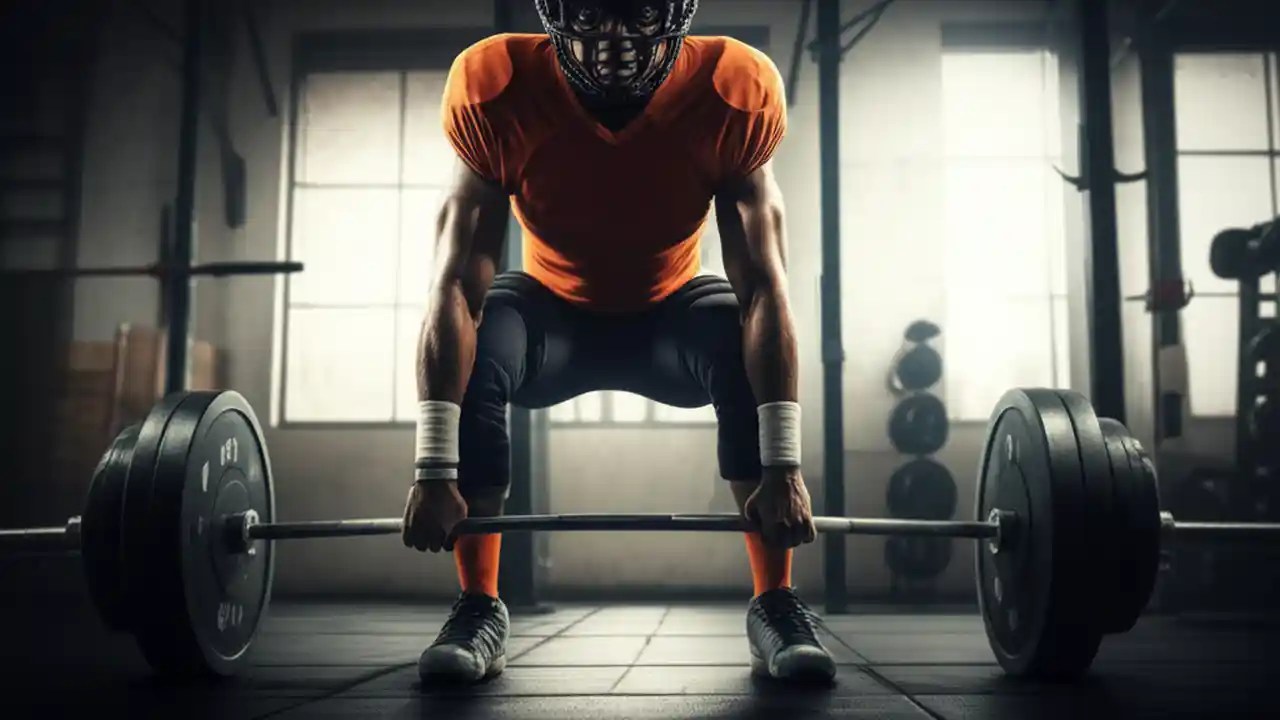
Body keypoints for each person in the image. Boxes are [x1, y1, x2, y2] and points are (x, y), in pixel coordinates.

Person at [402, 0, 834, 684]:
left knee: (735, 338)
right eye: (593, 12)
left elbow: (763, 286)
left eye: (634, 14)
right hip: (550, 320)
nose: (612, 38)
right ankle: (479, 607)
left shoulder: (732, 88)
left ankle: (775, 604)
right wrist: (433, 469)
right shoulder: (495, 86)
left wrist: (784, 467)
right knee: (484, 338)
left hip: (672, 316)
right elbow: (455, 284)